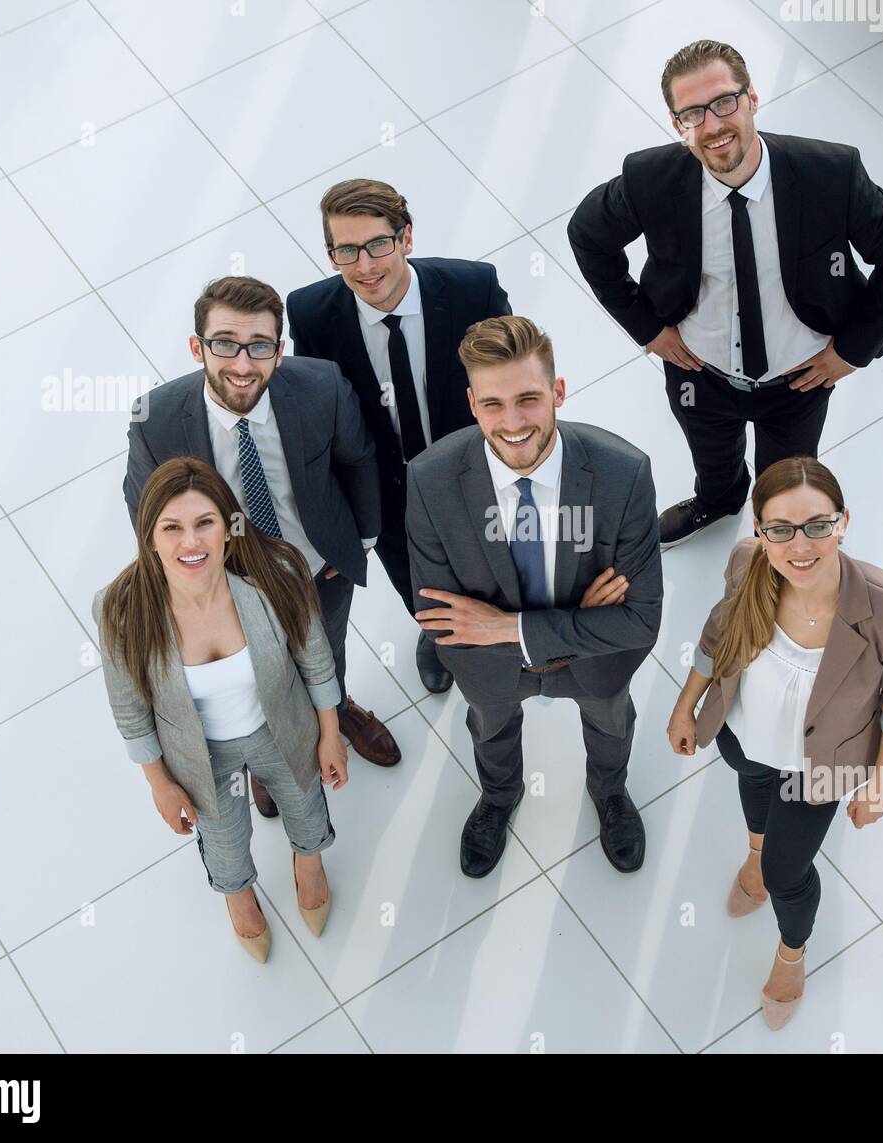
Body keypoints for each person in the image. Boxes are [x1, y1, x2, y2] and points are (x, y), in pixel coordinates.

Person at [568, 38, 883, 549]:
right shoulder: (650, 179)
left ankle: (775, 532)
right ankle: (719, 499)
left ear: (752, 98)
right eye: (692, 114)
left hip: (799, 380)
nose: (712, 125)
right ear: (678, 125)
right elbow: (587, 235)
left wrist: (850, 351)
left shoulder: (830, 173)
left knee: (785, 482)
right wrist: (648, 330)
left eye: (723, 103)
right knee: (711, 457)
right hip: (700, 372)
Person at [124, 275, 400, 826]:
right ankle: (270, 760)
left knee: (327, 648)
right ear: (197, 346)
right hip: (227, 588)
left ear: (281, 348)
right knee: (257, 675)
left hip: (318, 568)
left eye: (260, 346)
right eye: (224, 343)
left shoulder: (322, 387)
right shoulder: (155, 420)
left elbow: (359, 460)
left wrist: (364, 537)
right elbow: (145, 516)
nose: (243, 364)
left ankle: (338, 708)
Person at [667, 457, 883, 1030]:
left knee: (791, 874)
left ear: (843, 522)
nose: (800, 545)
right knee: (752, 786)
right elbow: (718, 635)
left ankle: (792, 952)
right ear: (760, 532)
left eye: (817, 524)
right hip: (743, 733)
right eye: (779, 529)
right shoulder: (746, 563)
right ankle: (754, 855)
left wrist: (880, 786)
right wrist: (687, 702)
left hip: (824, 768)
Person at [405, 316, 663, 877]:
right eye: (493, 404)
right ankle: (499, 797)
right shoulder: (430, 480)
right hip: (495, 669)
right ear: (472, 404)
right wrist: (581, 620)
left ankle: (610, 792)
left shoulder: (623, 474)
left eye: (529, 399)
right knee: (490, 728)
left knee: (610, 721)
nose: (514, 422)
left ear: (558, 392)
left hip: (594, 666)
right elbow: (441, 619)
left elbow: (641, 620)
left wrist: (504, 626)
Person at [95, 458, 348, 963]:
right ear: (149, 537)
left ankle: (309, 864)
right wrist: (159, 783)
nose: (191, 543)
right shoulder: (121, 608)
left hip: (279, 725)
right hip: (200, 751)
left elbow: (315, 659)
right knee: (224, 842)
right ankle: (238, 893)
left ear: (229, 530)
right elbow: (129, 709)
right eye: (172, 528)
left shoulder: (274, 573)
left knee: (306, 808)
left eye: (204, 523)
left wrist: (329, 731)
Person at [286, 178, 513, 694]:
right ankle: (436, 632)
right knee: (416, 576)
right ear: (330, 253)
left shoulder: (471, 288)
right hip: (388, 490)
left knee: (496, 556)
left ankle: (504, 628)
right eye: (347, 250)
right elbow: (317, 409)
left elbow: (515, 369)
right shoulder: (310, 314)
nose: (365, 266)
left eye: (378, 245)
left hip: (476, 467)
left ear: (406, 238)